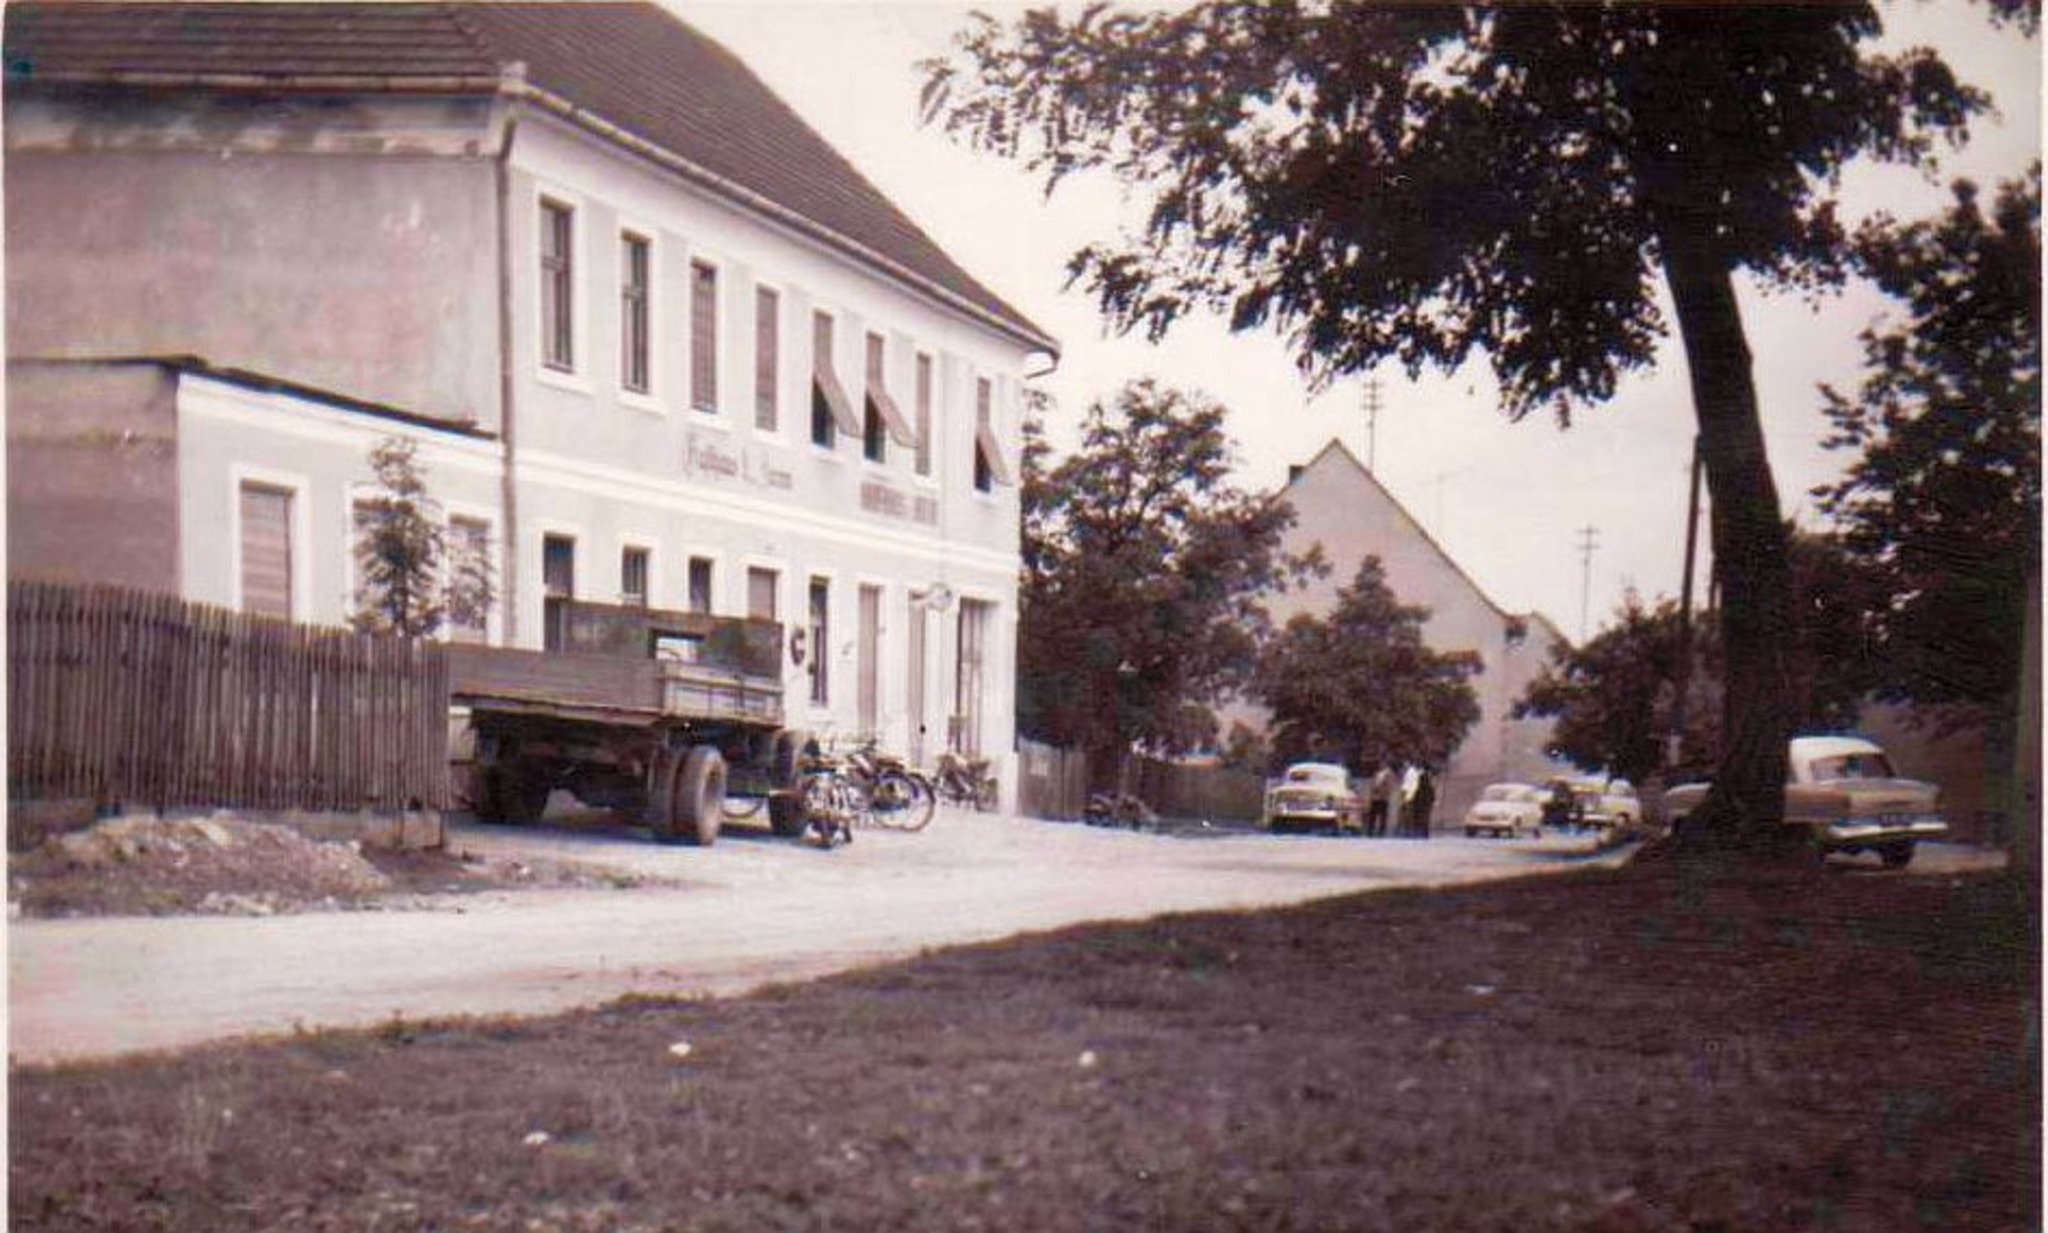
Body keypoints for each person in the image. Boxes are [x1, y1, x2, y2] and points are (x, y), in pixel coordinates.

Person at [1367, 763, 1398, 838]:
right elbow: (1372, 784)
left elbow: (1390, 786)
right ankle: (1370, 831)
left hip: (1383, 798)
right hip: (1375, 798)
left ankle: (1381, 832)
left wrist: (1384, 791)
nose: (1380, 765)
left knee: (1383, 816)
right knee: (1373, 815)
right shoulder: (1377, 773)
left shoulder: (1389, 774)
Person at [1408, 766, 1437, 838]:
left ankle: (1420, 833)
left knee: (1420, 818)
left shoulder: (1421, 780)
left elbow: (1430, 791)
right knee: (1422, 818)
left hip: (1421, 802)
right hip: (1421, 802)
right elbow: (1430, 790)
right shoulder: (1425, 780)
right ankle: (1422, 833)